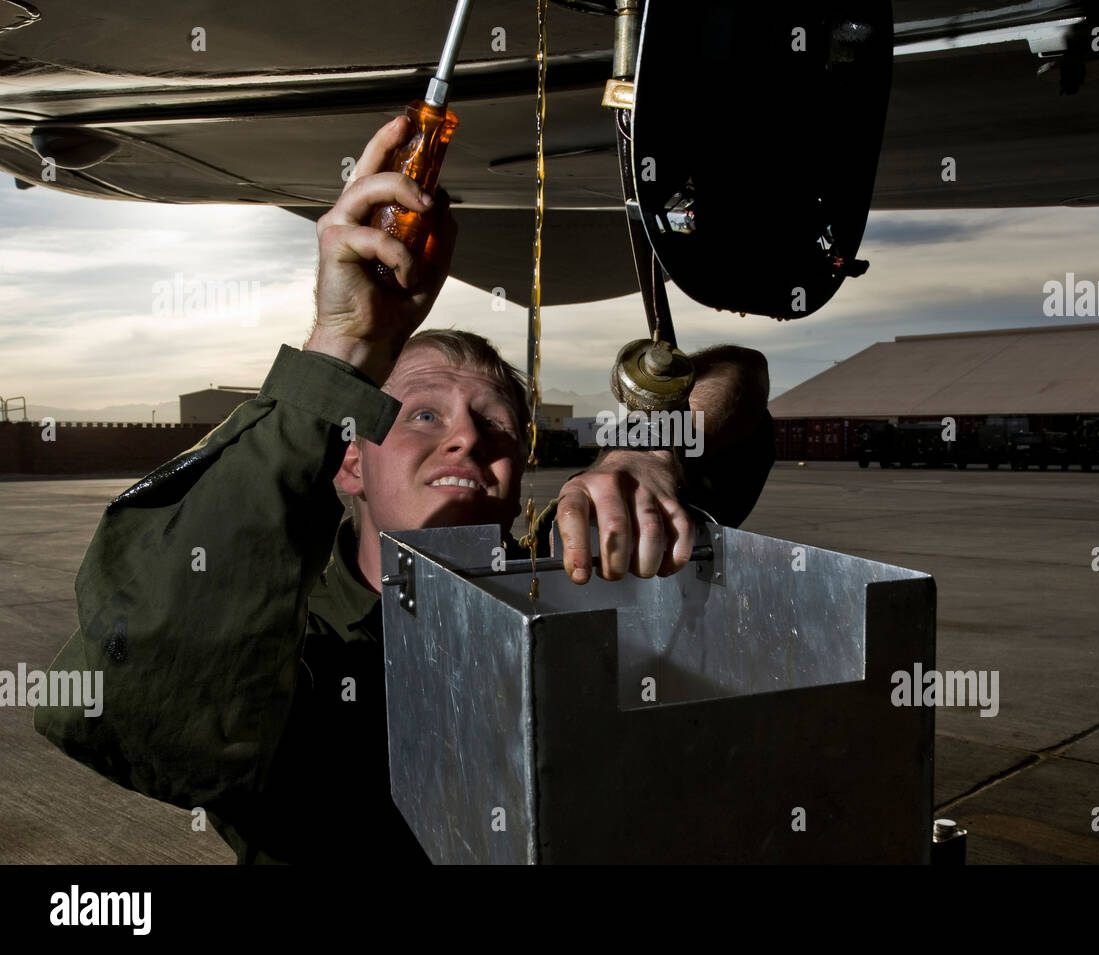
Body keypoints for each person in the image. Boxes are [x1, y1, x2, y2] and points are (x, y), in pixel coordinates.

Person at [34, 114, 774, 864]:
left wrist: (647, 455)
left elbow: (736, 376)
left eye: (494, 424)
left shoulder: (568, 563)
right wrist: (340, 350)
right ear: (350, 464)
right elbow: (142, 689)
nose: (466, 436)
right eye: (422, 413)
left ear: (517, 475)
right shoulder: (293, 641)